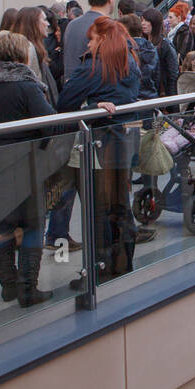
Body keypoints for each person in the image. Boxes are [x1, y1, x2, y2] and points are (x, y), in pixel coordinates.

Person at [0, 32, 60, 307]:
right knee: (32, 224)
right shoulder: (28, 87)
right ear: (22, 56)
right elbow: (50, 124)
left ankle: (7, 285)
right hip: (24, 162)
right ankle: (28, 287)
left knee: (1, 225)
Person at [57, 17, 143, 276]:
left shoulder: (92, 67)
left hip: (97, 145)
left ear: (102, 40)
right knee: (120, 205)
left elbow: (64, 104)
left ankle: (100, 268)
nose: (89, 43)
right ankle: (123, 264)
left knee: (99, 209)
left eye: (93, 38)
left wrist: (89, 109)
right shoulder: (131, 64)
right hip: (124, 142)